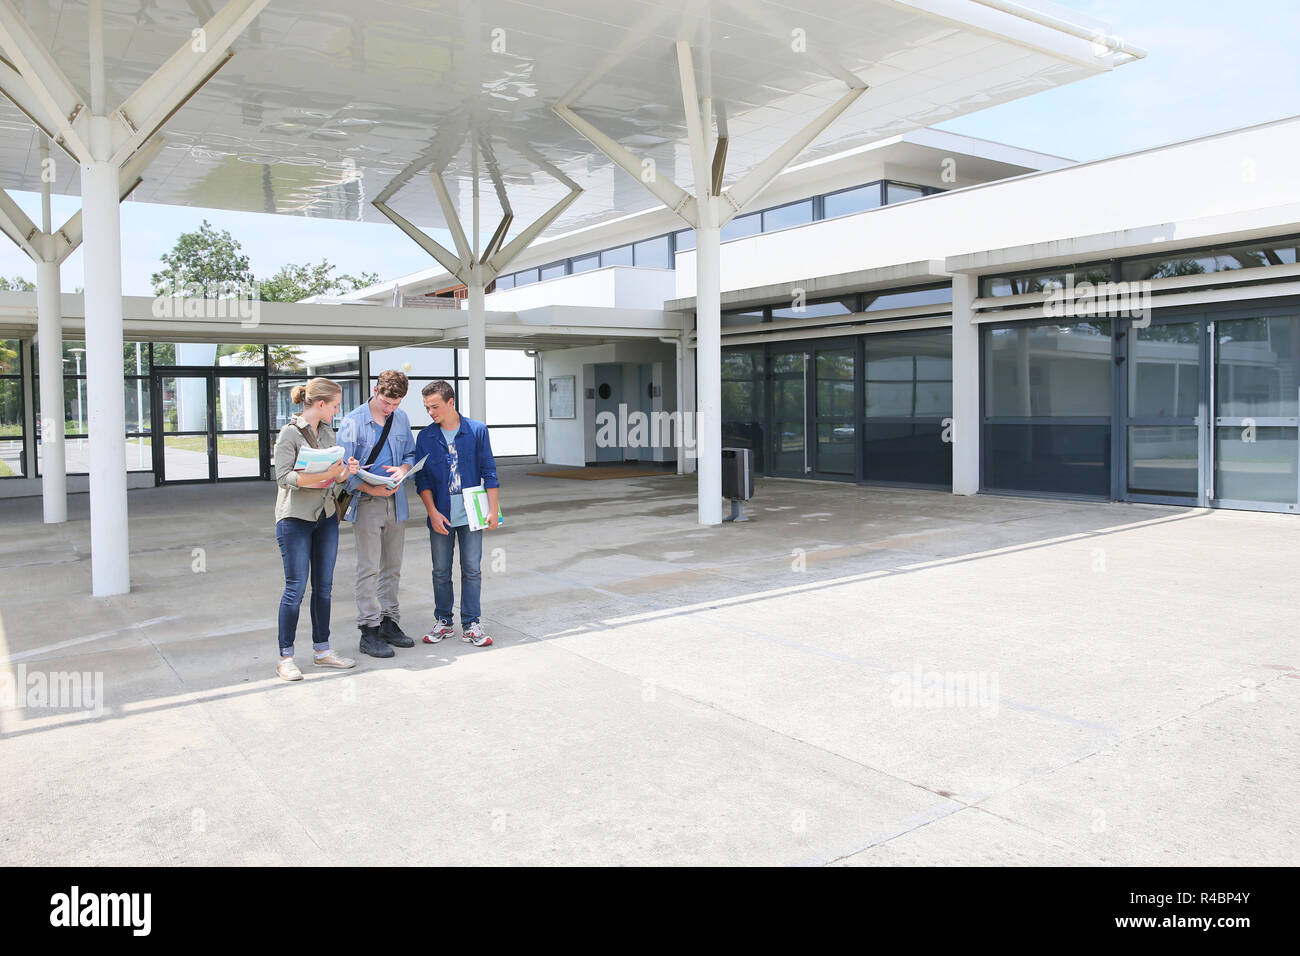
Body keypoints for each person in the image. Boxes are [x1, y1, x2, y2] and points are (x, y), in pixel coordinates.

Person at [272, 377, 360, 681]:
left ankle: (322, 651)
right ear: (320, 404)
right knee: (295, 588)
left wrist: (344, 472)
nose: (337, 411)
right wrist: (322, 474)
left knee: (324, 587)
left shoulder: (326, 432)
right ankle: (286, 657)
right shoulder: (289, 434)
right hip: (294, 519)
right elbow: (284, 478)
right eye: (335, 405)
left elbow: (336, 479)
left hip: (325, 517)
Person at [338, 370, 418, 659]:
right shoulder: (352, 421)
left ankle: (389, 621)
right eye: (386, 403)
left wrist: (404, 470)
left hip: (397, 501)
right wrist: (373, 489)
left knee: (392, 566)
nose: (390, 409)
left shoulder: (402, 418)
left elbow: (410, 454)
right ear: (375, 390)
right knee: (368, 566)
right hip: (368, 502)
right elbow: (343, 470)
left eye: (395, 405)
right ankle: (368, 629)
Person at [413, 380, 499, 647]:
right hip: (441, 513)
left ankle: (472, 623)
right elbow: (422, 481)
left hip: (472, 513)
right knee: (440, 571)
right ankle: (444, 621)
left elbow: (489, 472)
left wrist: (493, 510)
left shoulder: (477, 430)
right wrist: (433, 512)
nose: (431, 413)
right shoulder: (425, 437)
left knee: (472, 569)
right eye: (427, 408)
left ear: (451, 402)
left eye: (435, 406)